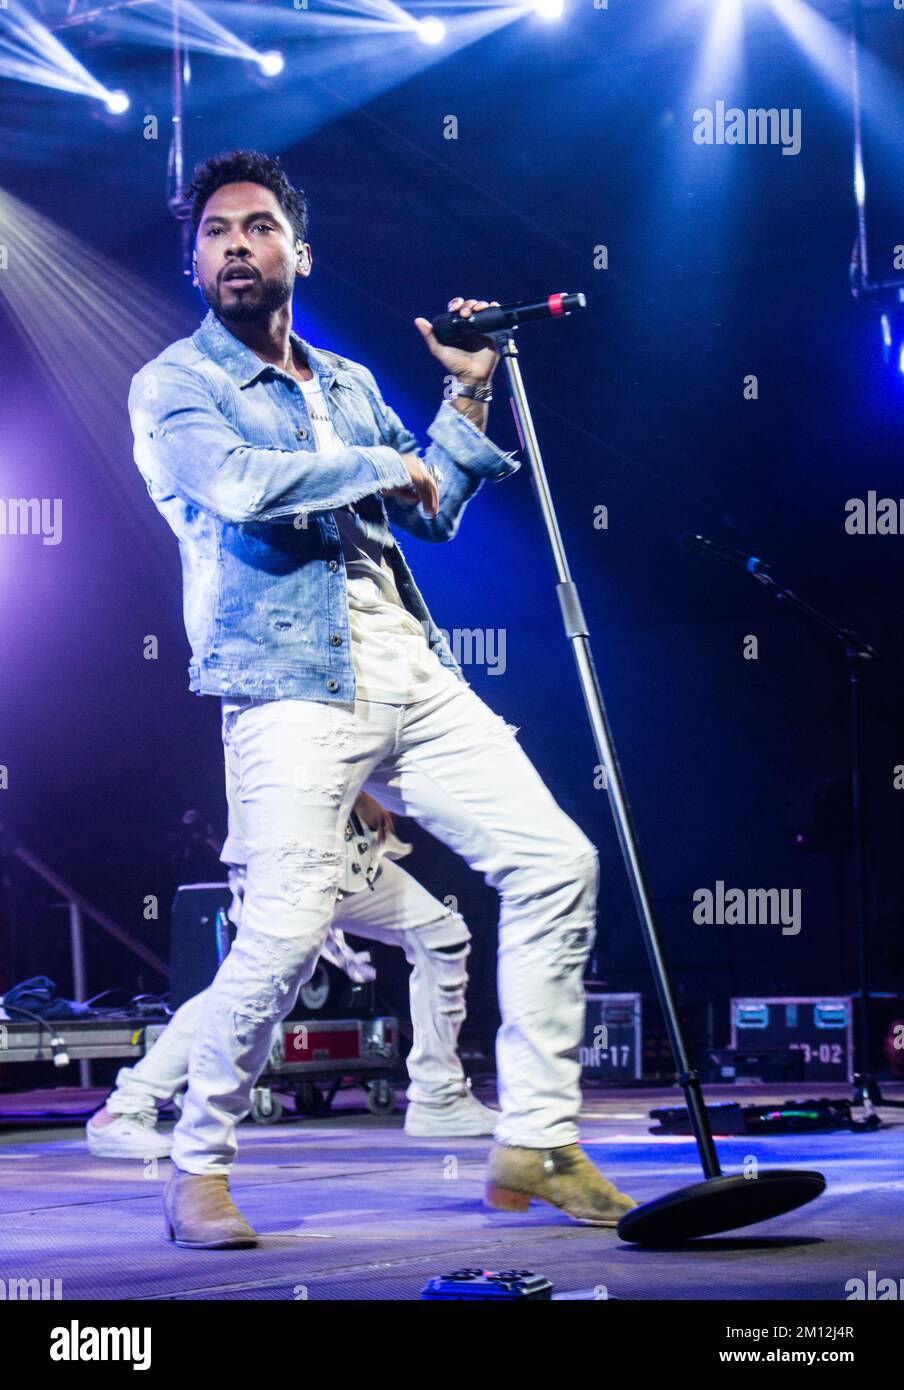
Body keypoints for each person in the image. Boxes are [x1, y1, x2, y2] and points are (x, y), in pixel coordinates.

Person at [128, 147, 636, 1248]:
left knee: (557, 861)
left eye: (257, 227)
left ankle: (535, 1142)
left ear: (296, 251)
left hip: (408, 664)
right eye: (214, 233)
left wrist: (467, 388)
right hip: (287, 685)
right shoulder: (179, 383)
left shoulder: (350, 380)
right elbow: (238, 488)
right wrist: (378, 466)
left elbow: (436, 510)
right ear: (195, 263)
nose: (235, 247)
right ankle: (196, 1163)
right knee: (283, 932)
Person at [86, 788, 496, 1157]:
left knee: (440, 934)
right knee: (254, 985)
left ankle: (439, 1096)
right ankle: (125, 1108)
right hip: (289, 860)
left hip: (348, 858)